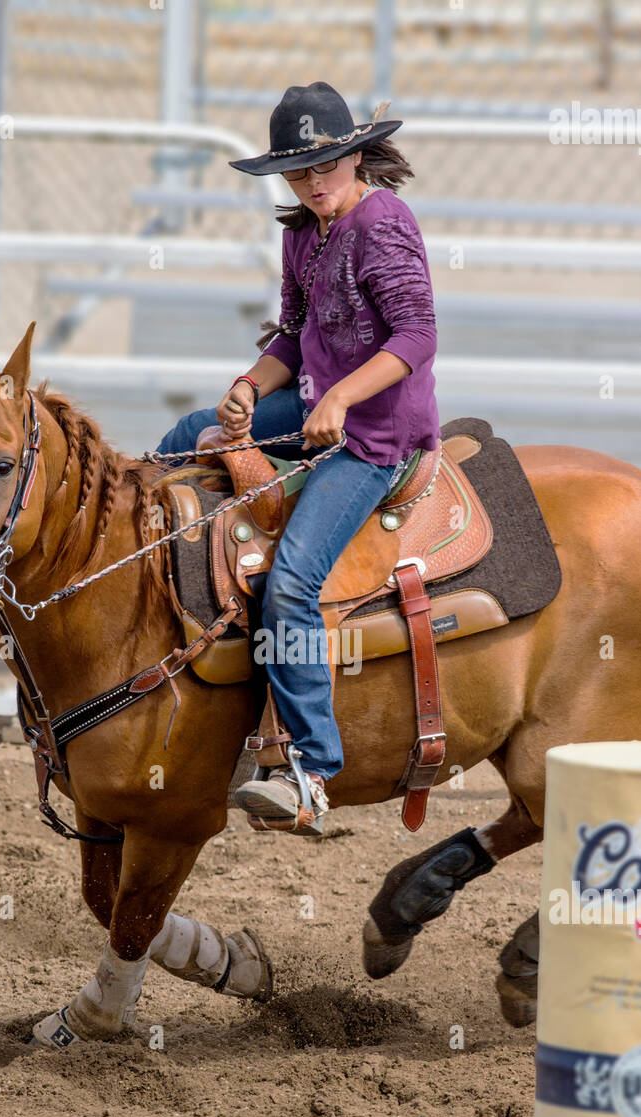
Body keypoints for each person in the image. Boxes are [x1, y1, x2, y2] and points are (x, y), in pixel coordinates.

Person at [153, 81, 439, 832]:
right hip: (313, 405)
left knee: (290, 583)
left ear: (353, 157)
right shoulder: (301, 235)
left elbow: (415, 338)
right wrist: (249, 387)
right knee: (183, 437)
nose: (313, 182)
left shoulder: (384, 225)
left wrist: (341, 399)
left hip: (376, 437)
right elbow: (291, 333)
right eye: (298, 171)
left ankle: (311, 768)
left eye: (325, 166)